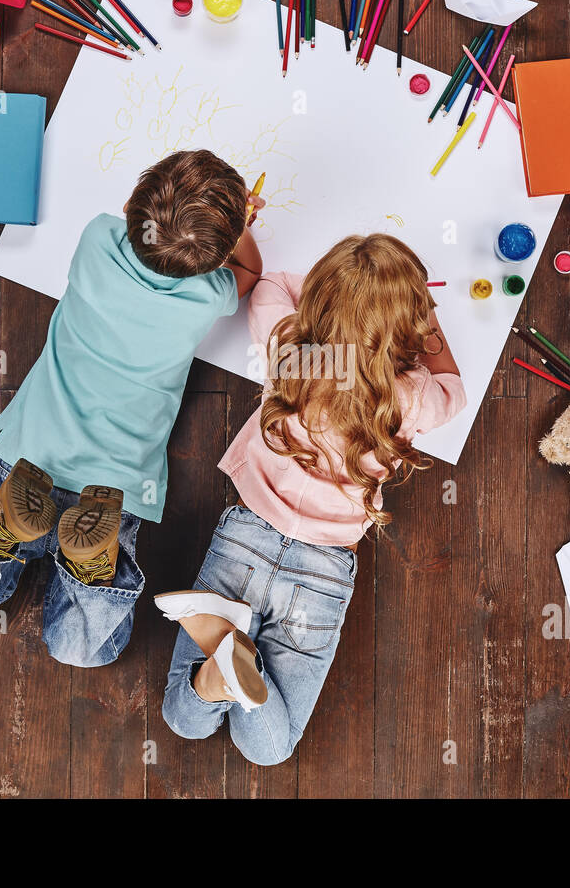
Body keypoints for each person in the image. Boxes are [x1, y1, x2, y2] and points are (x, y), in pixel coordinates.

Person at [0, 150, 263, 667]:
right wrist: (242, 227)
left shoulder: (98, 237)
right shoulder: (208, 294)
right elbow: (250, 270)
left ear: (129, 207)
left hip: (34, 450)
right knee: (81, 650)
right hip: (116, 481)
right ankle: (91, 569)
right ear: (215, 259)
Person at [156, 234, 465, 764]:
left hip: (244, 540)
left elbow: (273, 283)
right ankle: (231, 659)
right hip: (320, 571)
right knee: (265, 751)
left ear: (318, 299)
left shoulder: (290, 347)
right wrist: (421, 322)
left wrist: (333, 304)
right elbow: (453, 387)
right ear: (409, 320)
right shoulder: (409, 398)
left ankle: (224, 656)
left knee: (182, 724)